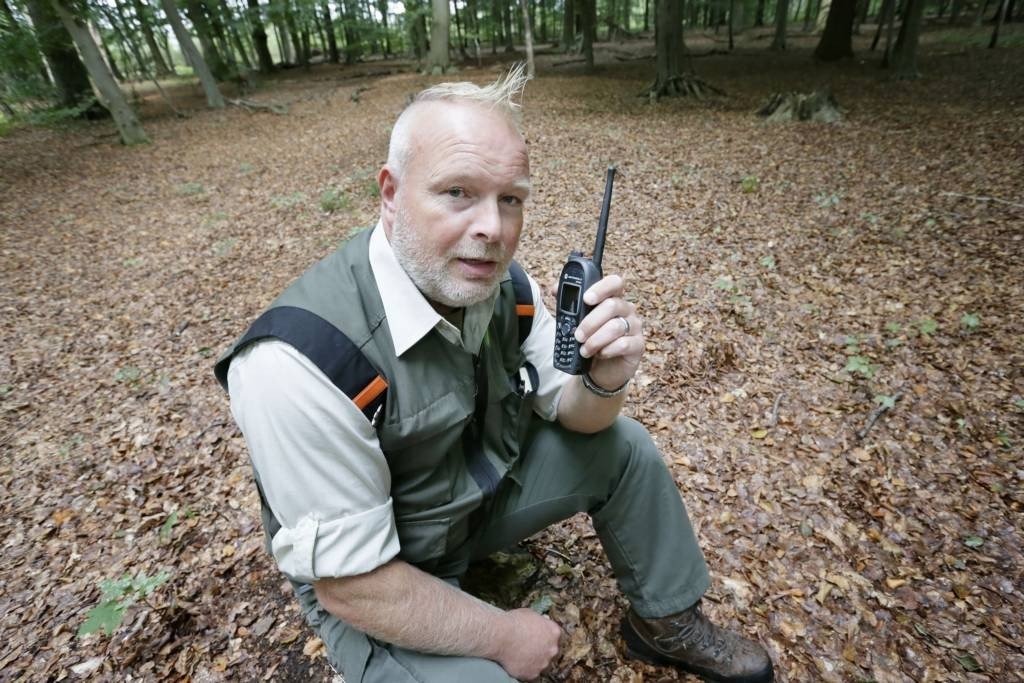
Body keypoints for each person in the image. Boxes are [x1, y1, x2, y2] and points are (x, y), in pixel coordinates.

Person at [215, 66, 774, 683]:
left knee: (625, 447)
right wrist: (506, 635)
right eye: (458, 191)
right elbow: (354, 587)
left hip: (469, 507)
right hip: (380, 576)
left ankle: (664, 622)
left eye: (510, 198)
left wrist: (604, 381)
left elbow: (576, 416)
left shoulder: (506, 288)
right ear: (390, 193)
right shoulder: (298, 363)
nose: (493, 228)